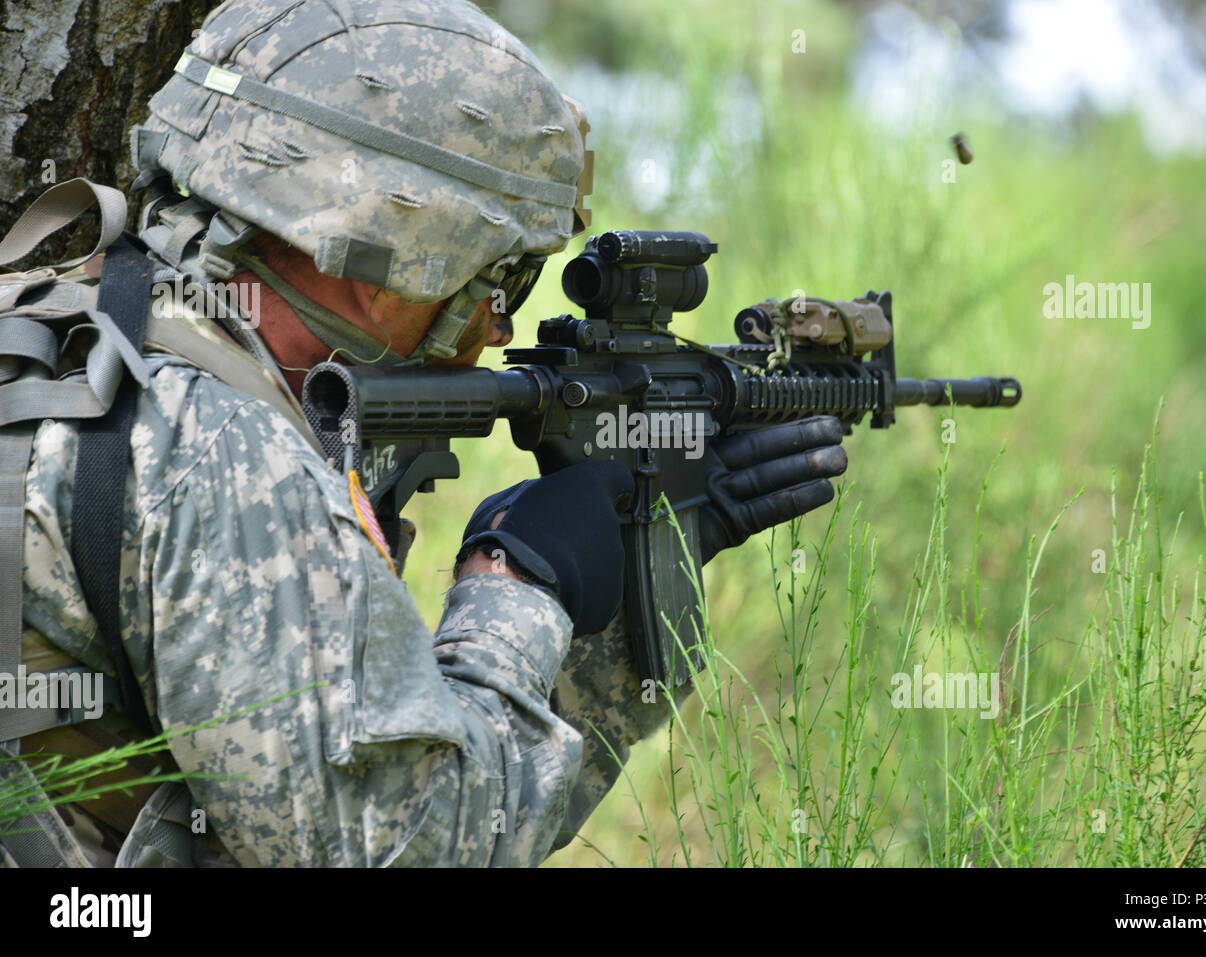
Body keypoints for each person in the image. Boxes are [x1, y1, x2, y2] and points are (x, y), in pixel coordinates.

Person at [1, 0, 846, 867]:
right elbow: (411, 843)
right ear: (402, 261)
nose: (498, 328)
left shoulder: (60, 329)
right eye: (501, 277)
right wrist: (517, 593)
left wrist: (627, 611)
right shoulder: (227, 456)